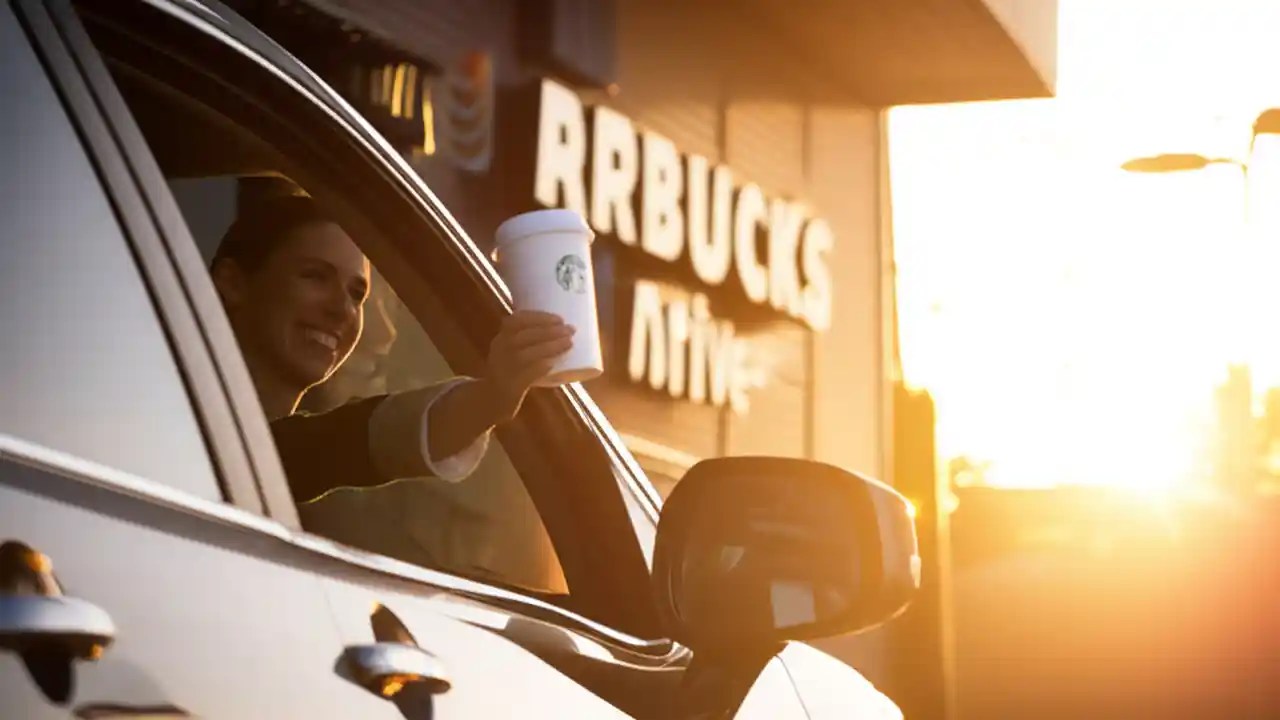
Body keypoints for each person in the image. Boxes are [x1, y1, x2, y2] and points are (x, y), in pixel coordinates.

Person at [210, 195, 573, 502]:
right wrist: (490, 398)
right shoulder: (200, 436)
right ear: (233, 283)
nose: (342, 310)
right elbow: (324, 445)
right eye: (315, 276)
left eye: (357, 294)